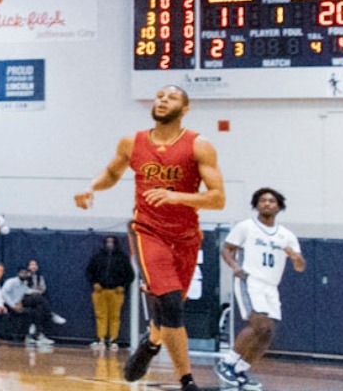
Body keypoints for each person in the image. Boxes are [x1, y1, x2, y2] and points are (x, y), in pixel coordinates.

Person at [74, 84, 226, 389]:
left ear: (185, 109)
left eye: (171, 97)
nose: (162, 100)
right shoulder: (132, 142)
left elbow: (217, 198)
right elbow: (112, 174)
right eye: (159, 96)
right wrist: (91, 187)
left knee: (169, 311)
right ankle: (187, 381)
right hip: (148, 232)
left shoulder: (199, 145)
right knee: (170, 304)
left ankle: (153, 339)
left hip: (185, 237)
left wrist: (177, 198)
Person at [217, 187, 305, 390]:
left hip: (271, 286)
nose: (267, 203)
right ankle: (227, 362)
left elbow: (300, 267)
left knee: (268, 333)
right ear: (256, 205)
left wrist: (296, 258)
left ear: (279, 206)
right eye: (263, 200)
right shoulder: (246, 227)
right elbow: (227, 249)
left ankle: (240, 369)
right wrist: (235, 267)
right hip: (251, 280)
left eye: (271, 201)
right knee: (260, 325)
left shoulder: (287, 235)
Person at [86, 234, 134, 350]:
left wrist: (123, 286)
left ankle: (113, 339)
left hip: (116, 292)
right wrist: (94, 283)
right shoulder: (97, 257)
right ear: (104, 243)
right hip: (100, 291)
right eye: (108, 242)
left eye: (112, 242)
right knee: (100, 315)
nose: (110, 244)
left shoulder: (122, 257)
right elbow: (89, 272)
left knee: (115, 316)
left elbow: (130, 275)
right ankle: (101, 338)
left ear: (116, 244)